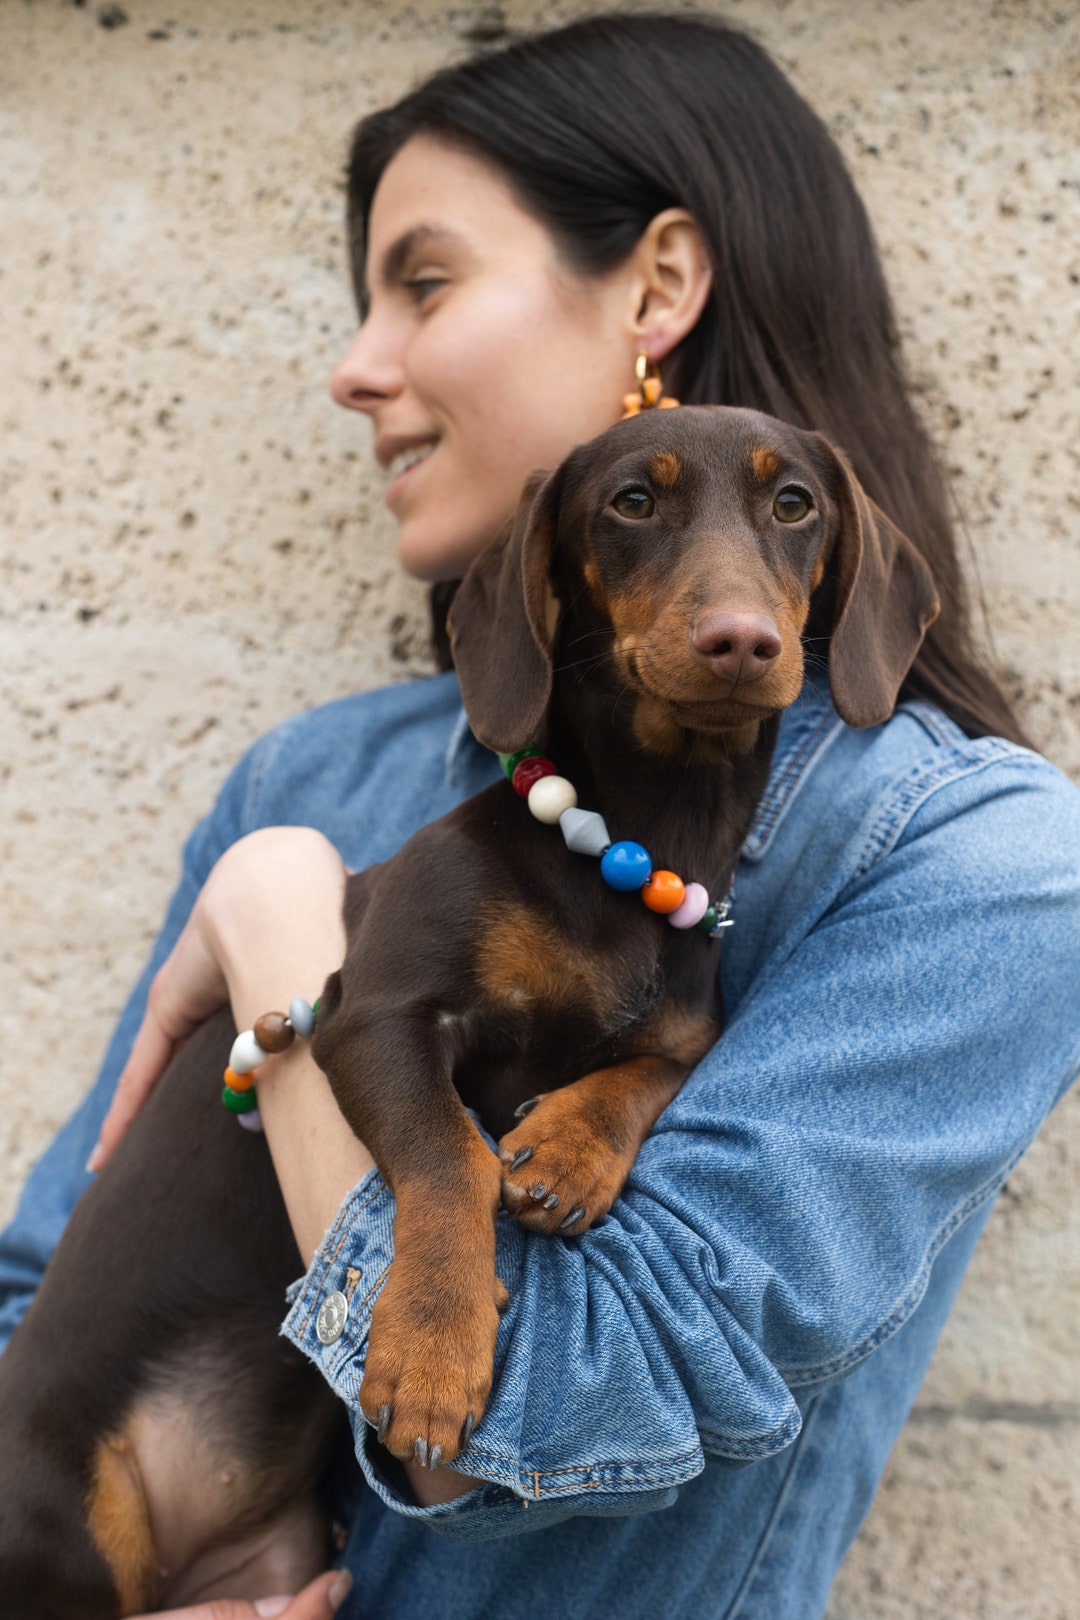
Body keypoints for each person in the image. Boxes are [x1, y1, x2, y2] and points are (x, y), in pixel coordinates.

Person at [2, 14, 1077, 1619]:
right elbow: (43, 1295)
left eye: (421, 284)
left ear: (656, 289)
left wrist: (281, 912)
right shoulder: (312, 776)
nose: (356, 366)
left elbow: (517, 1417)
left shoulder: (983, 866)